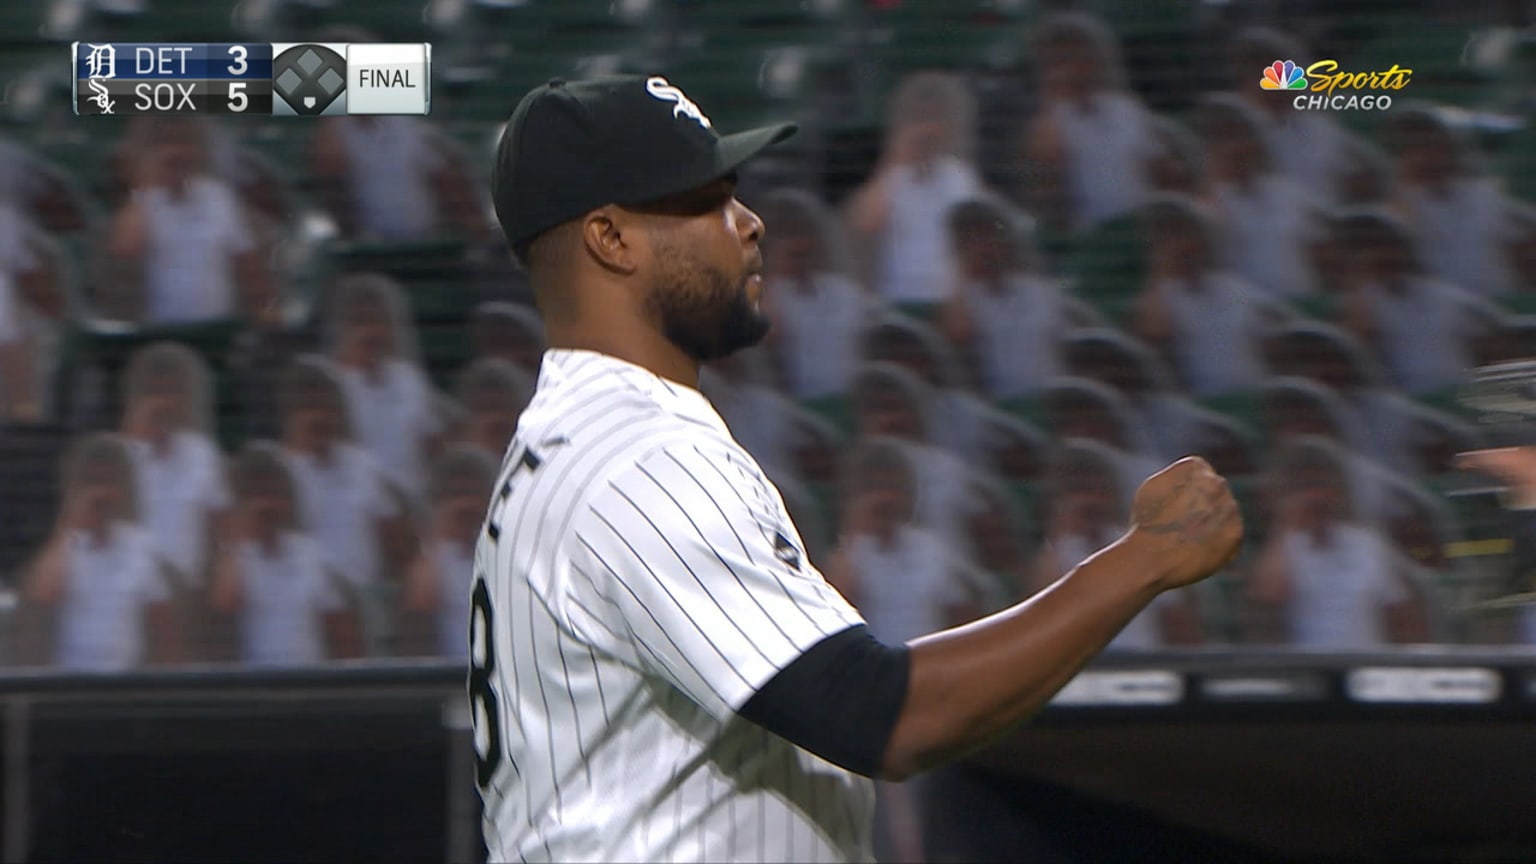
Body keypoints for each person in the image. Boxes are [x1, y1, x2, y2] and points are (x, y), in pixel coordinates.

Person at [474, 74, 1242, 863]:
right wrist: (1146, 559)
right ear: (611, 239)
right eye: (704, 199)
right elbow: (884, 717)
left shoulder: (558, 445)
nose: (748, 223)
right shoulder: (641, 459)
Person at [21, 433, 179, 671]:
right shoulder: (65, 545)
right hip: (73, 684)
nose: (101, 495)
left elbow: (163, 627)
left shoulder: (140, 545)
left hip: (126, 682)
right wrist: (71, 525)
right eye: (93, 483)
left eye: (107, 483)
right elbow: (44, 594)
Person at [103, 117, 276, 326]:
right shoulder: (145, 199)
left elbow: (247, 261)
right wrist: (149, 181)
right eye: (168, 144)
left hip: (218, 329)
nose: (178, 153)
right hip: (161, 331)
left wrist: (264, 308)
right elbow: (126, 247)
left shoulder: (218, 196)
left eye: (184, 143)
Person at [210, 441, 362, 666]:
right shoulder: (234, 558)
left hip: (311, 678)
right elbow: (225, 606)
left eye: (273, 495)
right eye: (258, 497)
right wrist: (240, 537)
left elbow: (339, 627)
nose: (267, 506)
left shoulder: (310, 552)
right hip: (257, 684)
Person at [845, 72, 985, 314]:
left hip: (946, 302)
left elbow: (973, 242)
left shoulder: (960, 177)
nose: (927, 130)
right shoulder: (892, 176)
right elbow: (865, 223)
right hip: (896, 299)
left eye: (934, 120)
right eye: (920, 120)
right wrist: (895, 161)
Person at [399, 444, 498, 659]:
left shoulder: (502, 555)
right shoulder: (430, 562)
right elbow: (419, 612)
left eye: (472, 494)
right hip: (451, 679)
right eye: (457, 495)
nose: (466, 504)